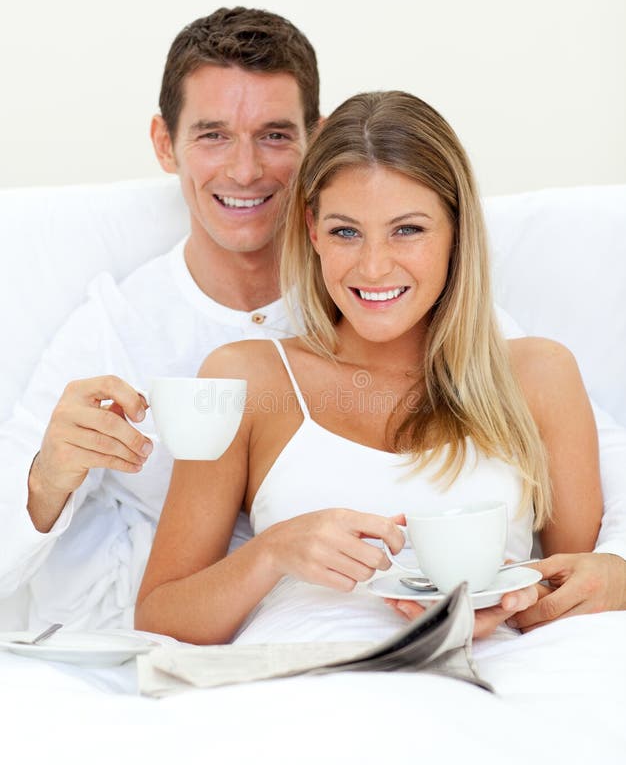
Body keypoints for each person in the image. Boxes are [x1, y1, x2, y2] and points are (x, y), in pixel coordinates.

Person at [0, 9, 624, 633]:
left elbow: (583, 535)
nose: (245, 170)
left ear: (311, 139)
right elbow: (159, 611)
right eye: (213, 134)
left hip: (480, 668)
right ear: (166, 143)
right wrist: (46, 476)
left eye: (273, 135)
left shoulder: (509, 354)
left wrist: (605, 574)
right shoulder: (150, 340)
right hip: (280, 667)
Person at [134, 90, 604, 645]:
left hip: (479, 688)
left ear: (457, 231)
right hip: (298, 696)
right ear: (312, 232)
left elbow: (576, 589)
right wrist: (272, 552)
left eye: (408, 229)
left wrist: (519, 601)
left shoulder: (539, 376)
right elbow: (160, 617)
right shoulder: (246, 379)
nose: (374, 266)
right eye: (345, 232)